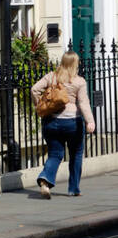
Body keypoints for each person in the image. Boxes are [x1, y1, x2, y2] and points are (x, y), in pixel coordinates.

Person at [32, 51, 96, 198]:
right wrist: (90, 121)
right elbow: (83, 103)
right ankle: (73, 189)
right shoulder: (79, 81)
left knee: (55, 154)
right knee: (76, 154)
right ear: (75, 64)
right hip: (72, 122)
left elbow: (34, 89)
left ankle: (45, 180)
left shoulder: (51, 76)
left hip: (51, 122)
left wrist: (41, 105)